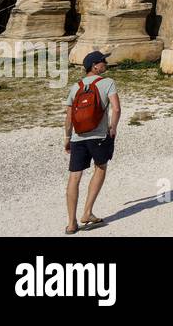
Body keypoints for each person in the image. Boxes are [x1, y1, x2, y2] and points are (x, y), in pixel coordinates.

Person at [63, 51, 120, 234]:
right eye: (103, 61)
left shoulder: (76, 86)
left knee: (74, 177)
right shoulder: (107, 83)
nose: (105, 63)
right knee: (100, 167)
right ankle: (87, 212)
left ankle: (72, 224)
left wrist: (67, 137)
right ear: (95, 65)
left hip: (78, 137)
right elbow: (117, 109)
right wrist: (113, 128)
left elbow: (69, 116)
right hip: (99, 136)